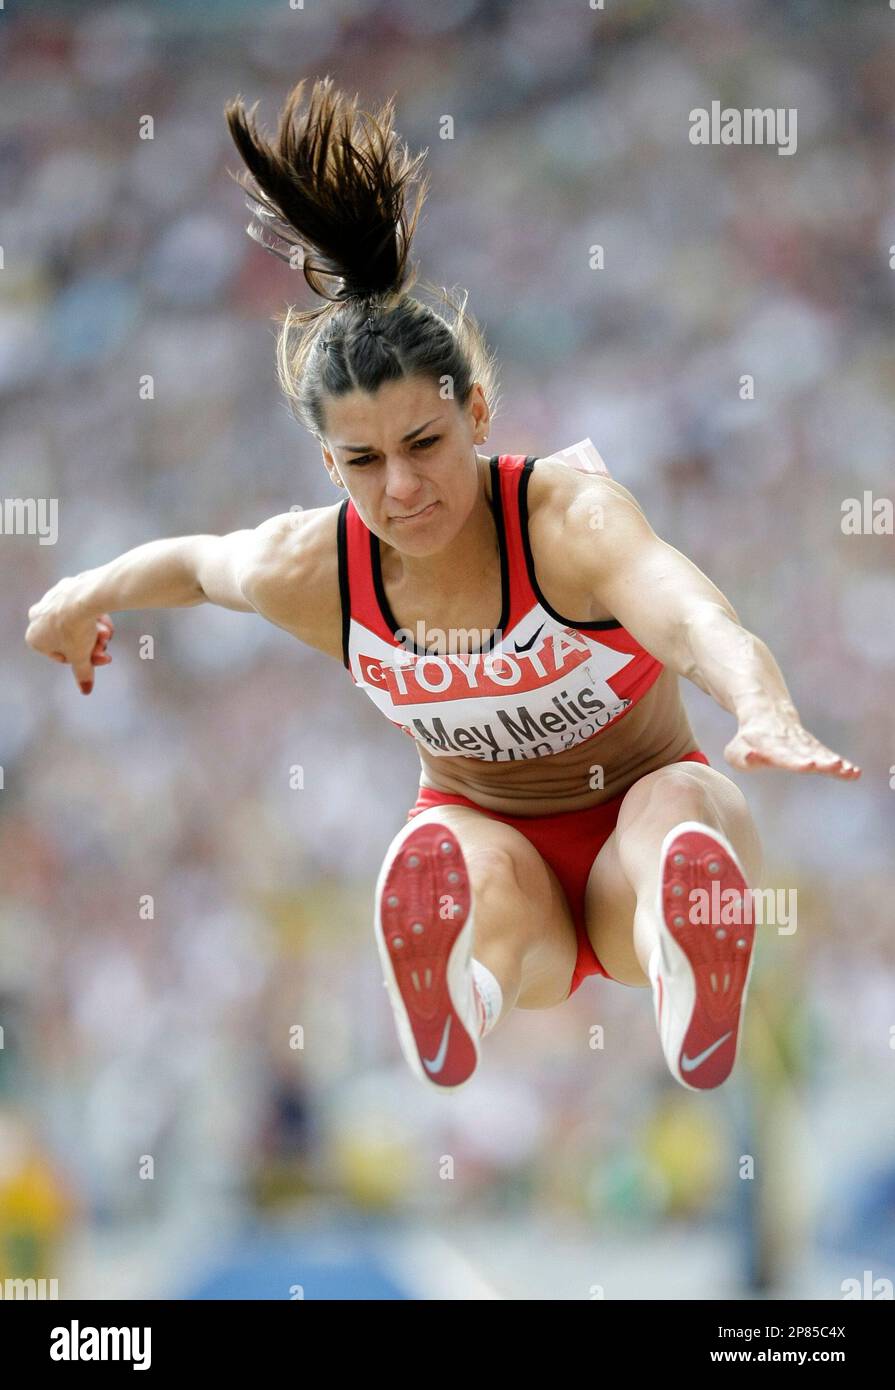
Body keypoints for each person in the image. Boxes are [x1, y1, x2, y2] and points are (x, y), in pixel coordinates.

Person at [25, 76, 860, 1097]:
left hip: (633, 829)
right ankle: (461, 983)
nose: (404, 487)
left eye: (424, 443)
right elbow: (201, 565)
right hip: (493, 844)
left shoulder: (566, 524)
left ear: (477, 414)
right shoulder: (314, 567)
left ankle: (686, 961)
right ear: (330, 469)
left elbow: (692, 617)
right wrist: (83, 593)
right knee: (459, 863)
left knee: (680, 808)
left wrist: (763, 704)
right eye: (365, 463)